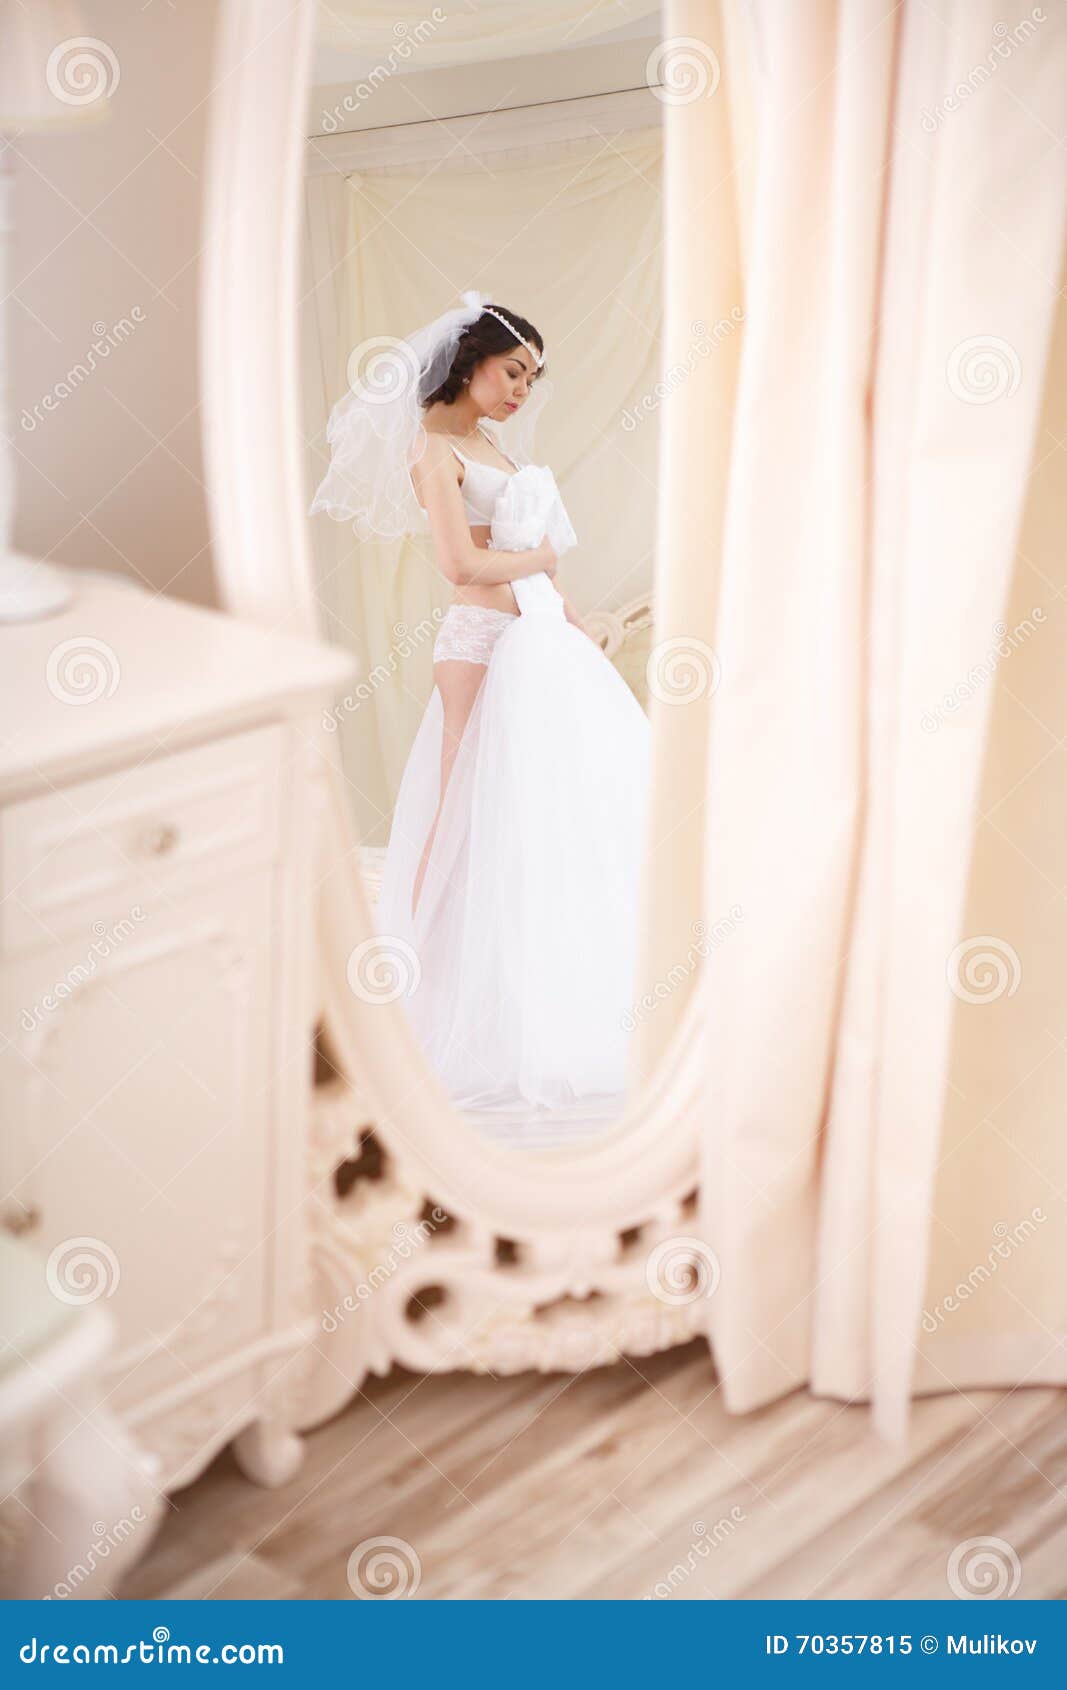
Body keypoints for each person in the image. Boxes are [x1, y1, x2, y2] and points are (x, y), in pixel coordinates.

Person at [312, 290, 650, 1119]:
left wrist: (572, 619)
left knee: (544, 803)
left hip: (539, 636)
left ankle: (542, 977)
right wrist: (536, 555)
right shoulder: (432, 451)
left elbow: (538, 566)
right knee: (461, 797)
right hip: (478, 642)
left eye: (533, 377)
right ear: (468, 364)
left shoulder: (492, 444)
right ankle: (423, 977)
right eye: (512, 370)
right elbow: (461, 565)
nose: (521, 389)